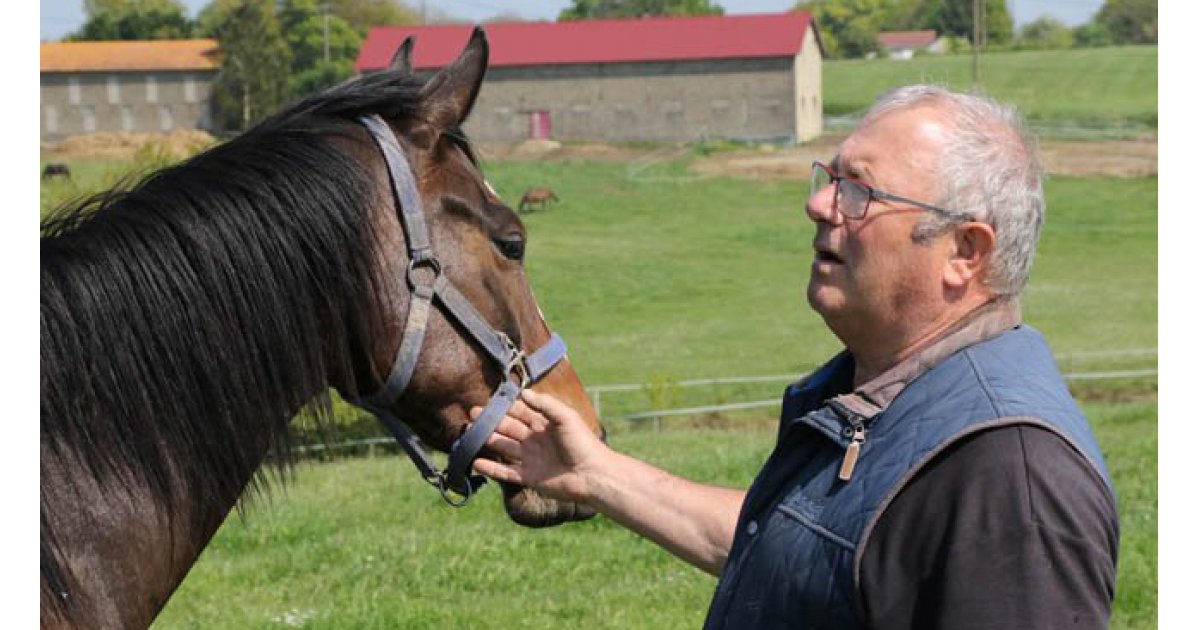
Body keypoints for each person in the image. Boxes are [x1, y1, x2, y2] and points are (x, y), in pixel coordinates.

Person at [472, 85, 1120, 629]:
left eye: (859, 193)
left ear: (965, 253)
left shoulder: (1010, 477)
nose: (817, 204)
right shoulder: (886, 393)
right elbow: (805, 550)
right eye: (830, 179)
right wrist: (595, 474)